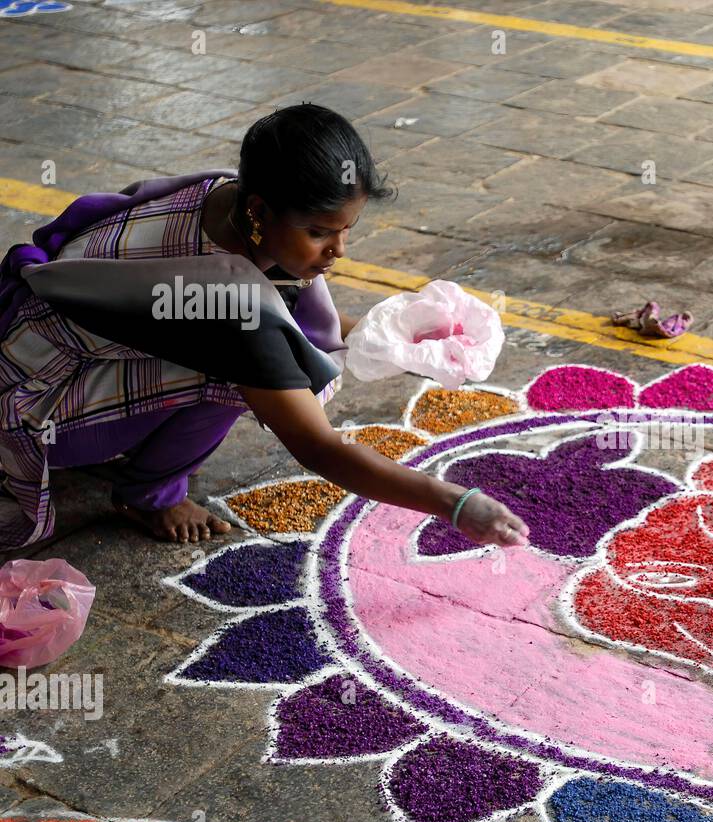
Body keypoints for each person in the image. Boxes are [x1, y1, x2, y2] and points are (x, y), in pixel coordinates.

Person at [0, 103, 529, 550]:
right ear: (260, 210)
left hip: (34, 344)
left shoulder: (222, 195)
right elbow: (318, 446)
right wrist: (455, 503)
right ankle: (148, 494)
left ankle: (139, 448)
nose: (336, 253)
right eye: (319, 232)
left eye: (346, 230)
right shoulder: (229, 302)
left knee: (267, 361)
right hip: (31, 403)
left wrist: (389, 334)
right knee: (241, 381)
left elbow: (284, 310)